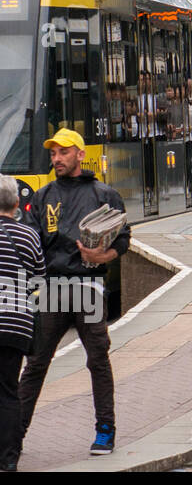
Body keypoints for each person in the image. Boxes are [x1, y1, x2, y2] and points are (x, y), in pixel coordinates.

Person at [17, 129, 130, 456]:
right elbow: (32, 241)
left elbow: (123, 240)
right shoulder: (43, 196)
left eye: (63, 152)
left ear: (80, 155)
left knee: (97, 358)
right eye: (53, 153)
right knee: (36, 363)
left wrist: (103, 256)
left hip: (88, 286)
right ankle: (14, 434)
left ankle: (105, 429)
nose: (56, 159)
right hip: (51, 287)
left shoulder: (104, 194)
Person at [0, 175, 43, 471]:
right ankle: (8, 459)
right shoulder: (29, 236)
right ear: (17, 204)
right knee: (8, 391)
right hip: (16, 325)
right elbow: (39, 279)